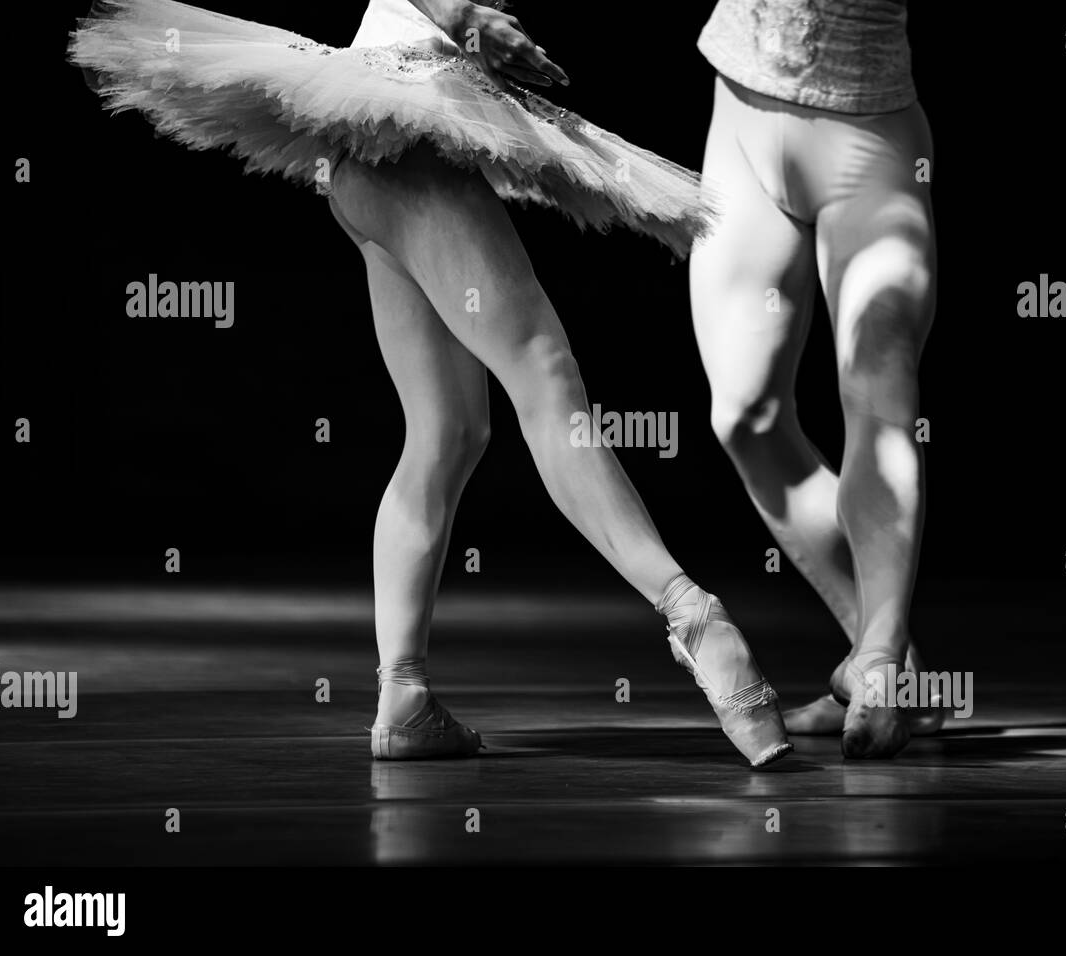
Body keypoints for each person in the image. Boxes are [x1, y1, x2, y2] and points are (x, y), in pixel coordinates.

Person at [70, 0, 793, 767]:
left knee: (446, 432)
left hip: (365, 165)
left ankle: (404, 695)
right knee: (548, 381)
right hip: (410, 142)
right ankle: (696, 620)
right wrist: (467, 14)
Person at [689, 0, 943, 758]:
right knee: (744, 416)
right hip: (740, 116)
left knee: (879, 386)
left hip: (868, 137)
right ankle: (892, 665)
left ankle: (877, 663)